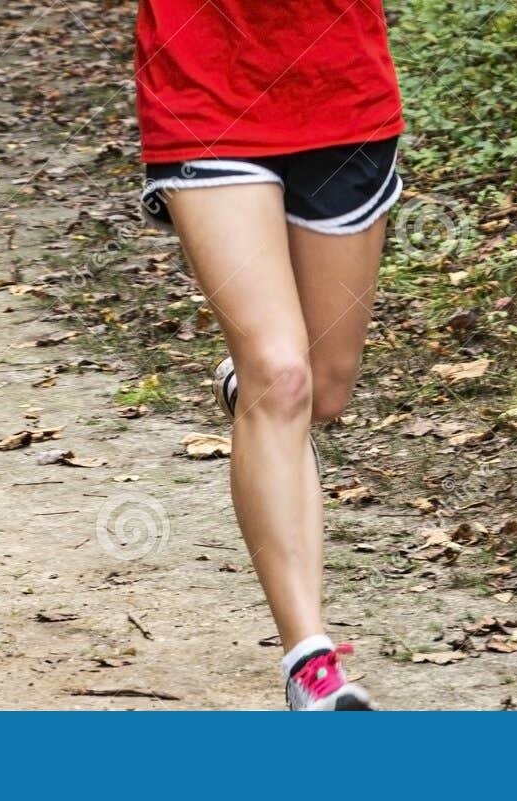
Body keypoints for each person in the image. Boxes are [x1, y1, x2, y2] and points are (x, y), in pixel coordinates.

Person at [135, 0, 404, 709]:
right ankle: (310, 659)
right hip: (205, 84)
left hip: (343, 90)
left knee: (324, 390)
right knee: (283, 376)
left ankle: (254, 392)